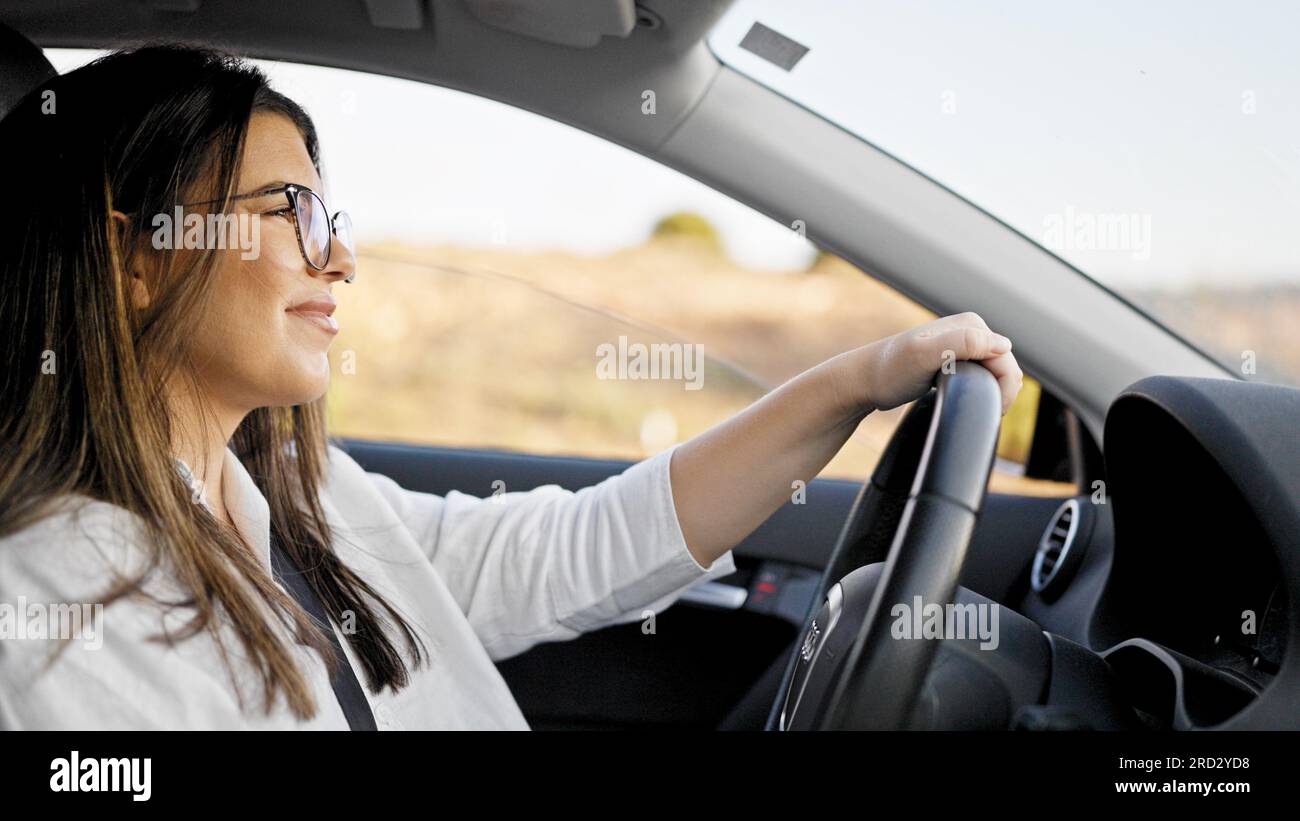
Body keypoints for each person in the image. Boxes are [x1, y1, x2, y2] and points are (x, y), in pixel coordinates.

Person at [0, 45, 1022, 729]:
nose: (342, 259)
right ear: (137, 259)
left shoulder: (298, 502)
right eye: (294, 212)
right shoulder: (57, 599)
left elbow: (575, 549)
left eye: (334, 216)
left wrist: (858, 380)